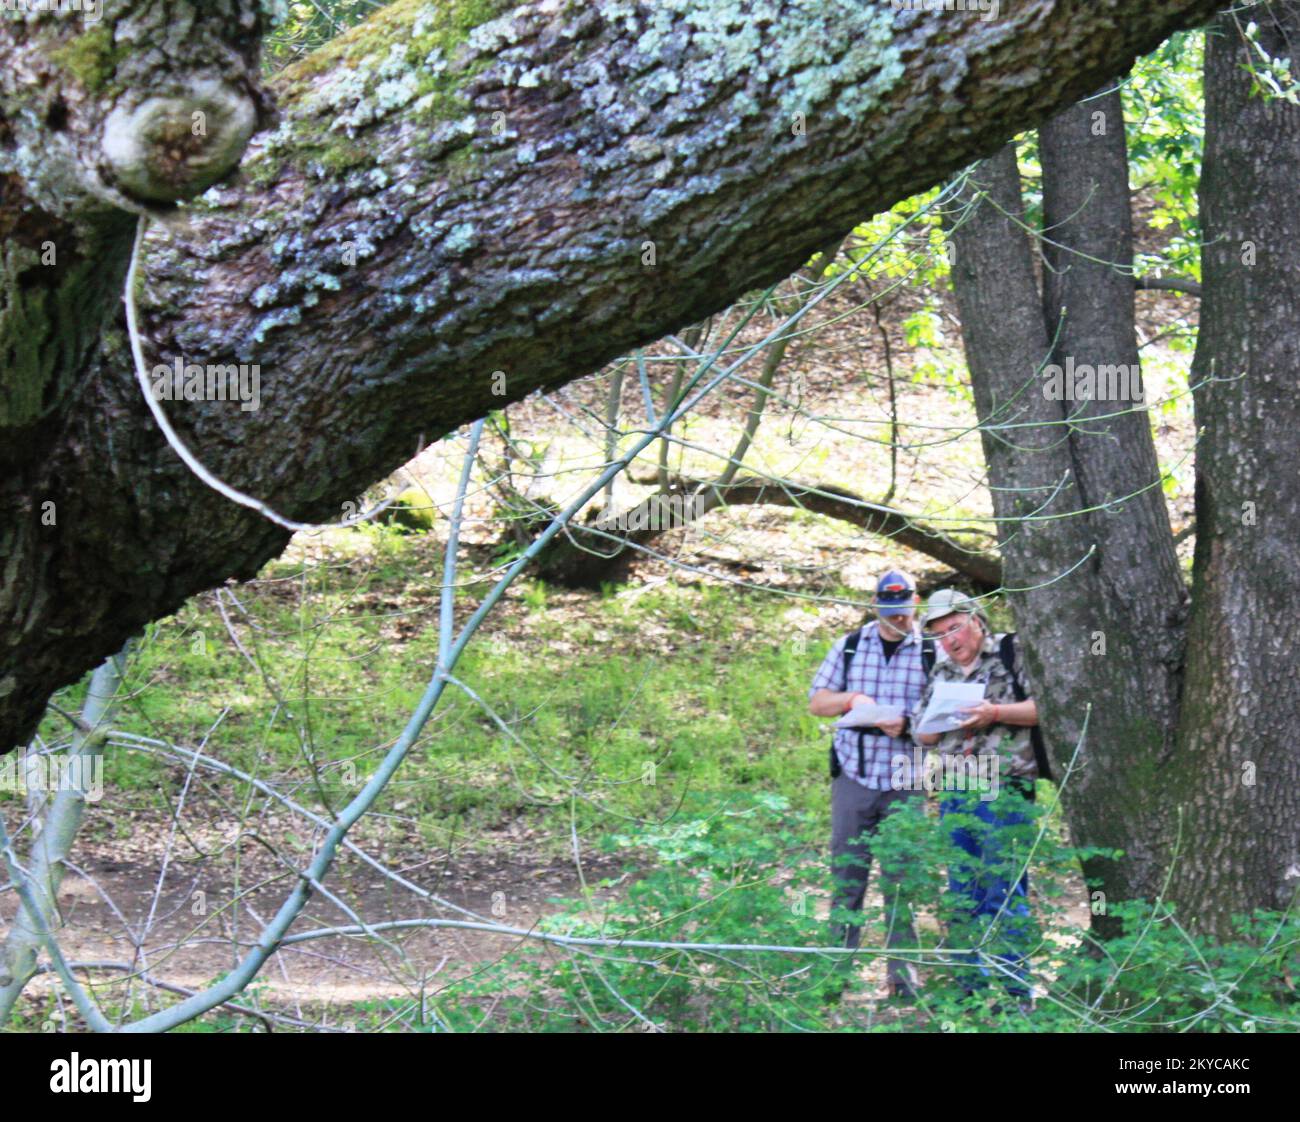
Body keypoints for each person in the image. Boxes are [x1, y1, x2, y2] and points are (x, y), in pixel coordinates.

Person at [913, 589, 1041, 1006]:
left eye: (954, 628)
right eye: (939, 634)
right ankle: (970, 988)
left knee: (1003, 889)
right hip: (955, 789)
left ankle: (1015, 992)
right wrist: (933, 725)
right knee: (963, 889)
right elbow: (921, 731)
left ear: (977, 621)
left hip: (1004, 788)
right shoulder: (940, 668)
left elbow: (1046, 708)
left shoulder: (1010, 650)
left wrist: (995, 713)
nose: (949, 640)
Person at [808, 569, 930, 1000]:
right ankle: (835, 976)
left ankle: (904, 982)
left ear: (916, 602)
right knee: (847, 876)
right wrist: (852, 701)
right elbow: (817, 702)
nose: (897, 619)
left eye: (904, 610)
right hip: (854, 776)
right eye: (889, 611)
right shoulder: (850, 646)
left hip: (906, 779)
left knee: (902, 880)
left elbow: (950, 715)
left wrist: (909, 723)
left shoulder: (932, 650)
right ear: (876, 605)